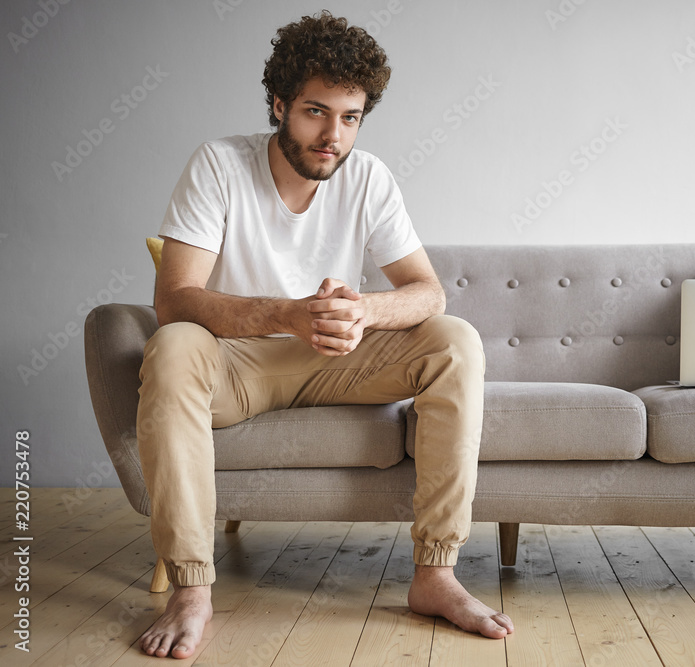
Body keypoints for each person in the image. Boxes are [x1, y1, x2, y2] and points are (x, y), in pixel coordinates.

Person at [136, 11, 513, 659]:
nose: (332, 135)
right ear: (279, 104)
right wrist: (288, 314)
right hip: (235, 365)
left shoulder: (368, 177)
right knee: (170, 345)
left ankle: (436, 575)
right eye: (315, 112)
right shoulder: (219, 164)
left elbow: (428, 291)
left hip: (337, 359)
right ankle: (191, 589)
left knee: (454, 338)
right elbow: (175, 298)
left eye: (350, 117)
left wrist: (362, 310)